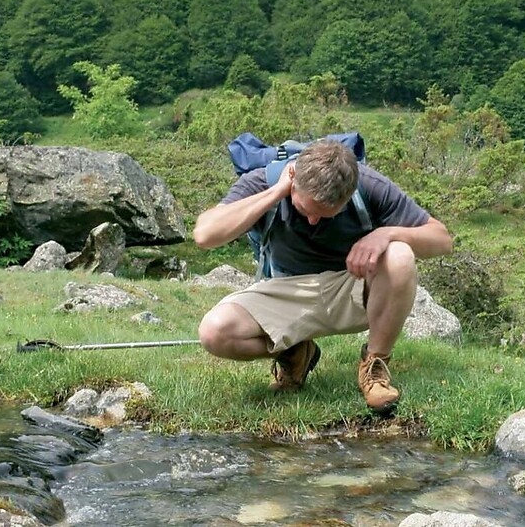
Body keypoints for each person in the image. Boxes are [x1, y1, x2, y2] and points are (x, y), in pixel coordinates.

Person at [193, 138, 453, 414]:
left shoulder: (368, 184)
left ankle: (375, 366)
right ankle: (294, 354)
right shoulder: (263, 182)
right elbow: (204, 235)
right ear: (294, 178)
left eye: (326, 214)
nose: (313, 220)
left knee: (400, 254)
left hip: (351, 287)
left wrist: (386, 234)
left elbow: (442, 239)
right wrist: (278, 192)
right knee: (214, 332)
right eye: (306, 210)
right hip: (286, 290)